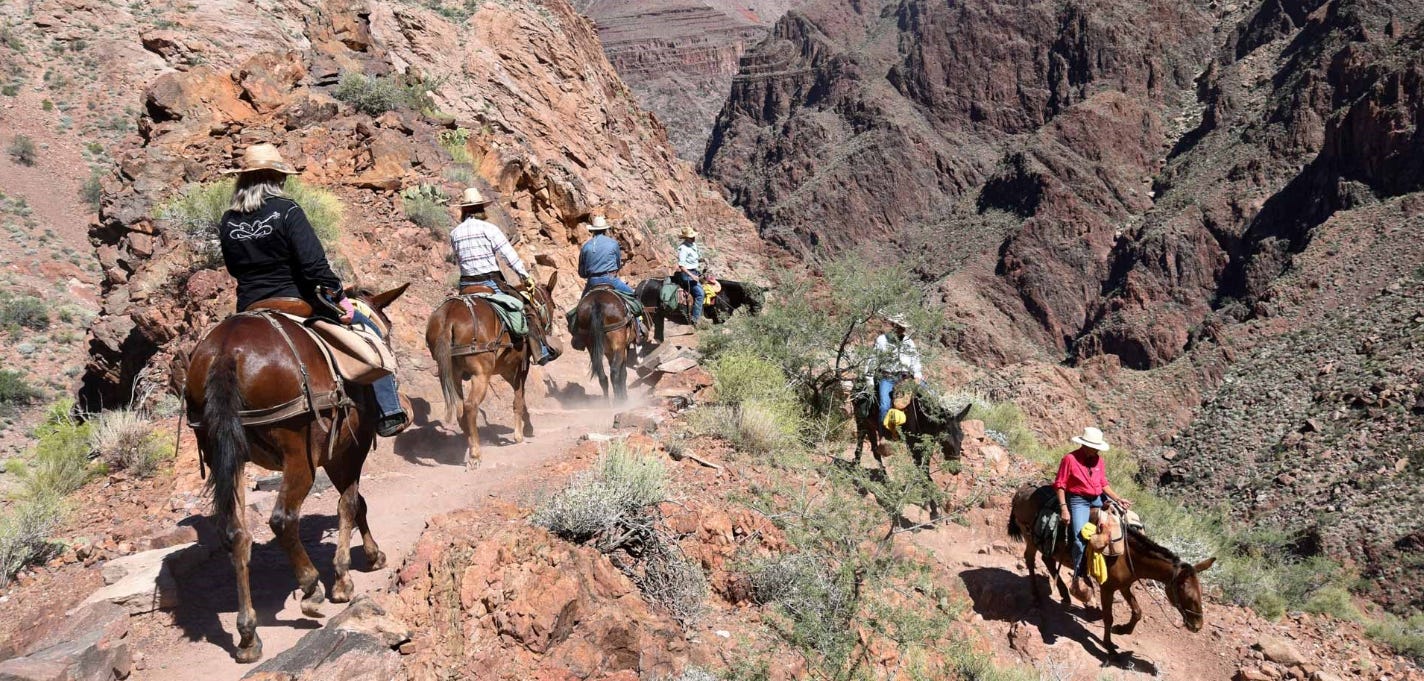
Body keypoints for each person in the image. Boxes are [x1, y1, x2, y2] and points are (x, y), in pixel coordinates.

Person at [218, 143, 407, 437]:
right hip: (294, 302)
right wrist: (340, 299)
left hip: (250, 306)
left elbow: (233, 268)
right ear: (276, 178)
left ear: (243, 180)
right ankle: (390, 411)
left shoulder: (228, 220)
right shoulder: (287, 210)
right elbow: (314, 265)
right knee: (366, 330)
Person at [449, 187, 554, 365]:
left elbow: (458, 260)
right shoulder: (489, 229)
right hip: (490, 282)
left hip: (466, 285)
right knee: (525, 309)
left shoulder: (455, 233)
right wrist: (524, 276)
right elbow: (508, 255)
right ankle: (540, 351)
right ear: (481, 209)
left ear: (464, 210)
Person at [1053, 427, 1132, 593]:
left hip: (1097, 498)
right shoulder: (1070, 459)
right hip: (1078, 500)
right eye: (1093, 447)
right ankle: (1079, 574)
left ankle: (1112, 570)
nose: (1096, 450)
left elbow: (1103, 483)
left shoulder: (1099, 461)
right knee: (1079, 537)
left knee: (1120, 524)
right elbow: (1060, 485)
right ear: (1084, 445)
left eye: (1097, 447)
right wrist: (1064, 508)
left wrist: (1118, 499)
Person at [865, 314, 924, 429]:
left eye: (903, 327)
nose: (902, 329)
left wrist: (917, 375)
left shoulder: (909, 342)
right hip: (888, 378)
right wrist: (869, 380)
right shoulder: (882, 340)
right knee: (884, 406)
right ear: (893, 325)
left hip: (906, 378)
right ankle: (884, 433)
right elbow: (872, 360)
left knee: (928, 396)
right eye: (899, 326)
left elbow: (915, 361)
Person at [672, 225, 705, 325]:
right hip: (687, 275)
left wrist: (701, 260)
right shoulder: (683, 248)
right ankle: (695, 319)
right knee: (700, 294)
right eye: (691, 237)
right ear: (686, 238)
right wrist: (692, 276)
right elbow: (682, 266)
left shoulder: (693, 245)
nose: (693, 238)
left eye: (693, 236)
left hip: (694, 271)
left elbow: (692, 260)